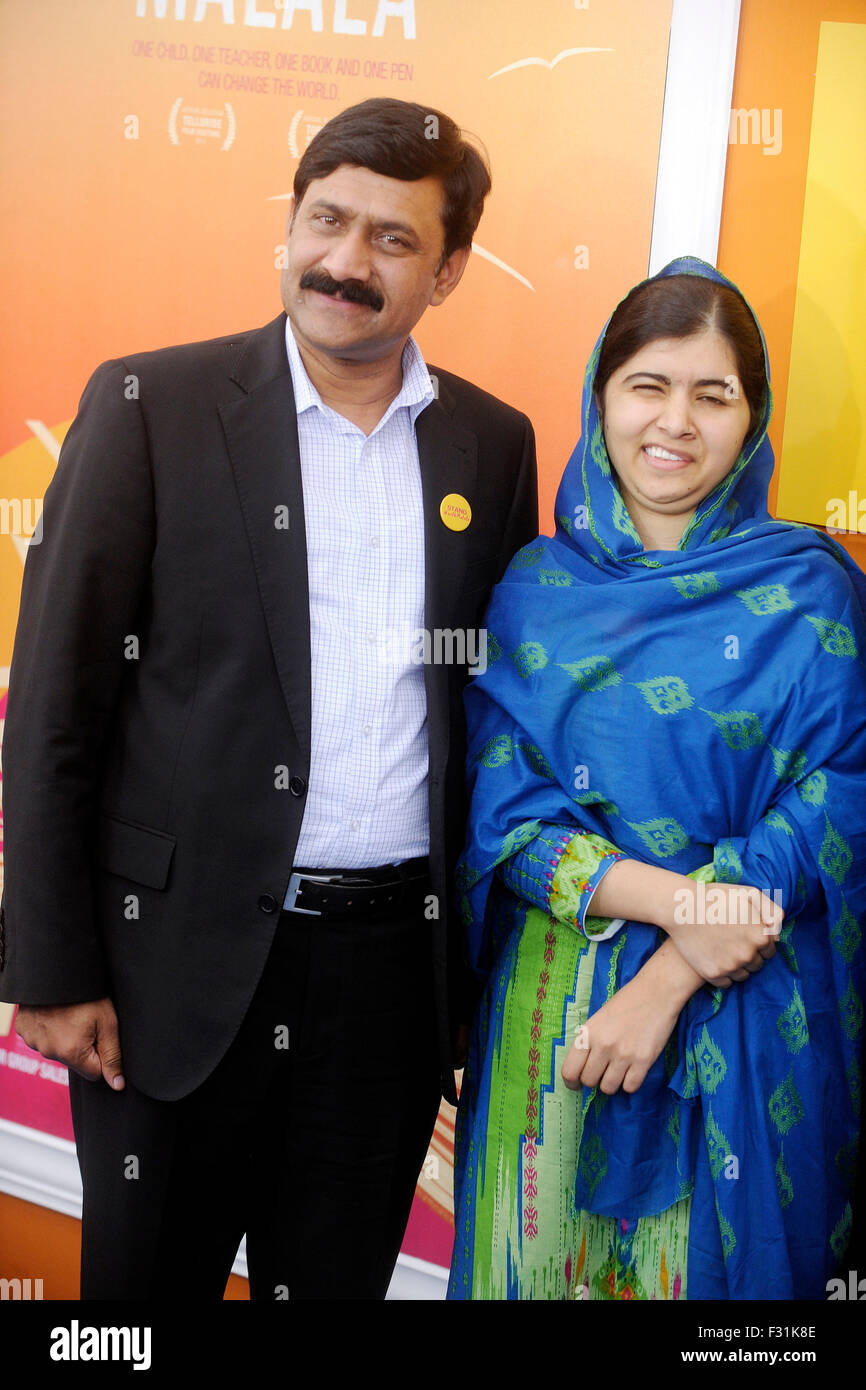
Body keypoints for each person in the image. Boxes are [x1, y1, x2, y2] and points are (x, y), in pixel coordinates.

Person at [0, 96, 538, 1300]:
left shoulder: (491, 446)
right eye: (325, 221)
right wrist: (50, 961)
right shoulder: (152, 407)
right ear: (288, 226)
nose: (344, 263)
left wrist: (465, 984)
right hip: (166, 980)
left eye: (392, 240)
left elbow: (478, 712)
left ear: (447, 271)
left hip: (386, 991)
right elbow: (53, 707)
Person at [447, 256, 866, 1301]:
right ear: (600, 397)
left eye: (711, 394)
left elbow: (839, 795)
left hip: (748, 1011)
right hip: (553, 1016)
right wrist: (684, 908)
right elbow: (506, 816)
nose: (674, 421)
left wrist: (672, 971)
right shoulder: (534, 591)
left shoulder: (811, 589)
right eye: (648, 384)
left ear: (750, 419)